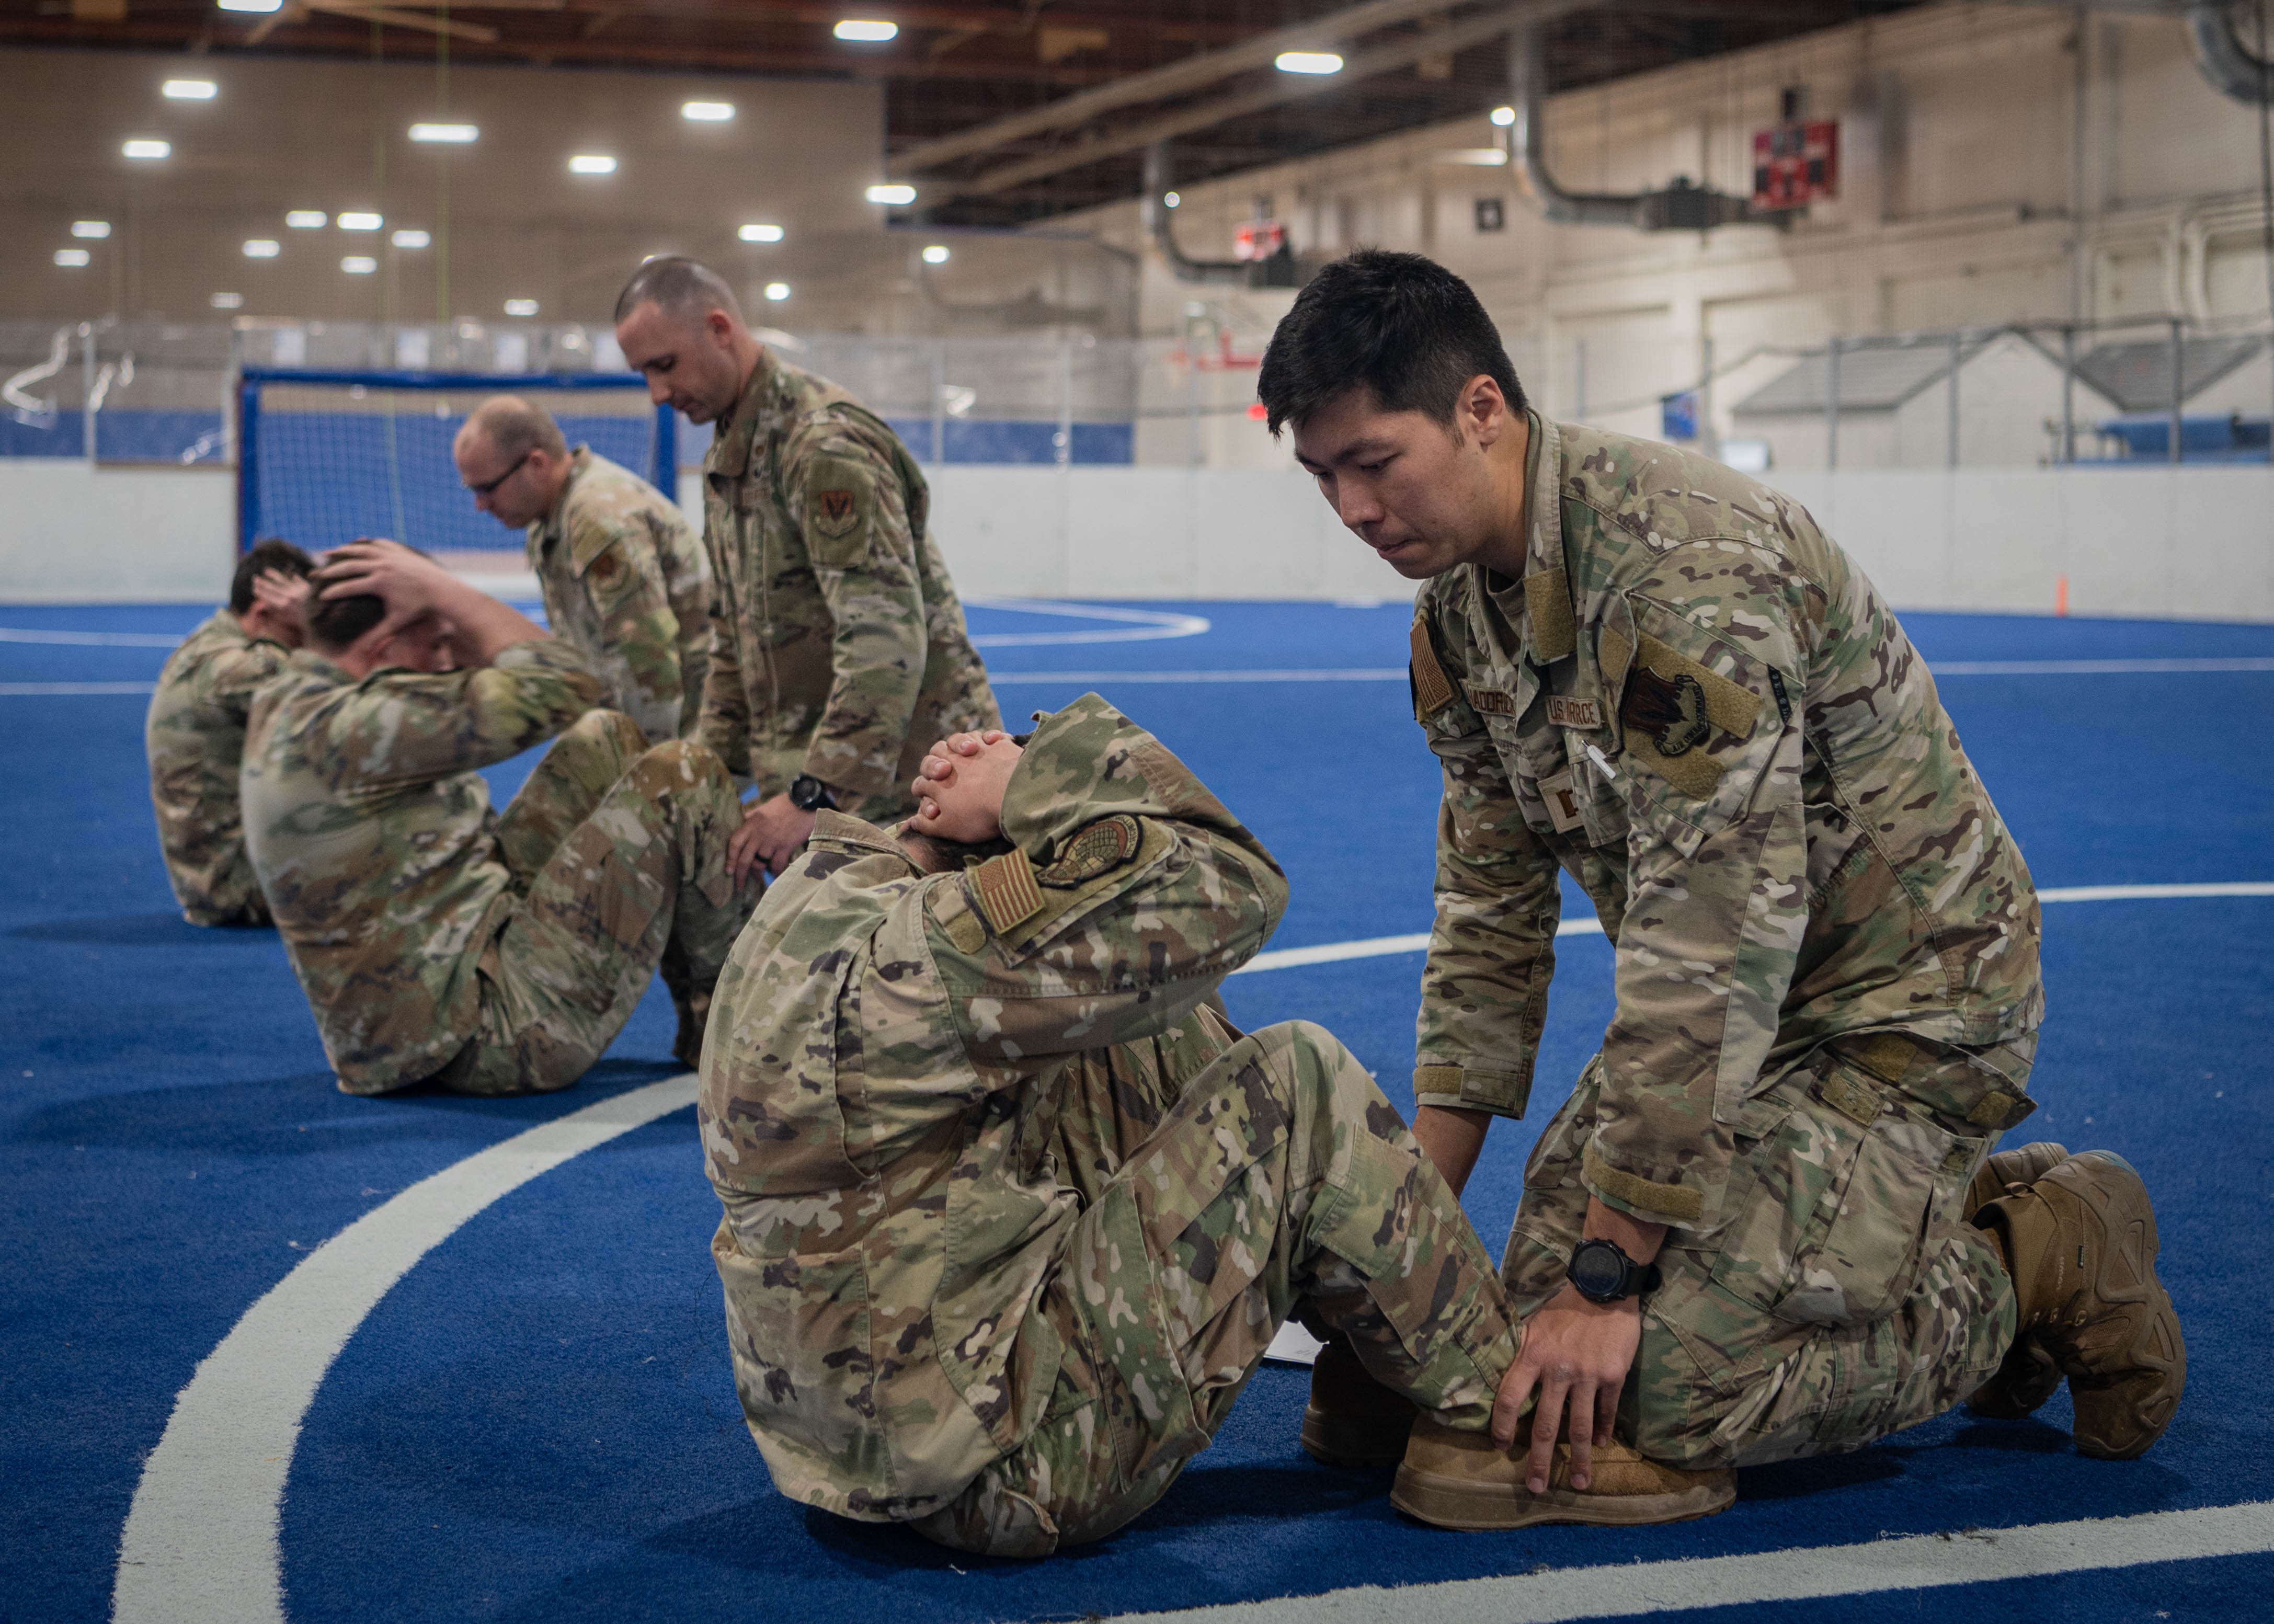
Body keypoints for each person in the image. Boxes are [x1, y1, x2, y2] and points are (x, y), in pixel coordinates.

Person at [1253, 249, 2185, 1527]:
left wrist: (1606, 1274)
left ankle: (2040, 1251)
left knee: (1668, 1385)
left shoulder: (1683, 571)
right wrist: (1408, 1231)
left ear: (1481, 408)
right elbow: (1487, 923)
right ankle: (1881, 1223)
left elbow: (1714, 932)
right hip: (1740, 1024)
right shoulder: (1458, 622)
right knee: (1504, 1361)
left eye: (1374, 460)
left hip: (1900, 1011)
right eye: (1322, 477)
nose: (1353, 507)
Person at [701, 693, 1693, 1558]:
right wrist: (1041, 778)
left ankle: (1372, 1382)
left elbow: (1154, 974)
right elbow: (1228, 886)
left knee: (1156, 1022)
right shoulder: (937, 949)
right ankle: (1513, 1427)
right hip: (1006, 1467)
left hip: (868, 1445)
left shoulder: (819, 908)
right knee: (1293, 1084)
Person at [242, 540, 760, 1094]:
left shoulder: (295, 696)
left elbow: (560, 696)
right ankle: (746, 1038)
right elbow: (565, 680)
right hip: (484, 1039)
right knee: (685, 773)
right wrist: (445, 591)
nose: (450, 658)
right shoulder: (360, 726)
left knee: (604, 737)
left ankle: (706, 1017)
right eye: (436, 643)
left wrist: (418, 612)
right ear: (383, 650)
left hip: (437, 997)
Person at [612, 256, 999, 888]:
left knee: (898, 980)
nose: (657, 392)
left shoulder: (820, 445)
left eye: (665, 365)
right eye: (643, 374)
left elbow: (884, 641)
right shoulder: (733, 450)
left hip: (910, 790)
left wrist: (814, 797)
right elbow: (733, 645)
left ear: (718, 329)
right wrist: (703, 774)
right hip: (826, 785)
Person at [453, 394, 710, 745]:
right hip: (650, 719)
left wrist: (647, 774)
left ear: (537, 464)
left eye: (487, 488)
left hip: (691, 727)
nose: (481, 505)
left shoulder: (597, 518)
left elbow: (650, 668)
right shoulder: (549, 517)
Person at [145, 538, 315, 927]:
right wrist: (317, 622)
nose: (304, 640)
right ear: (264, 612)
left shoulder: (207, 644)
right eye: (297, 626)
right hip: (240, 888)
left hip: (219, 874)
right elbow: (356, 692)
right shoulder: (243, 667)